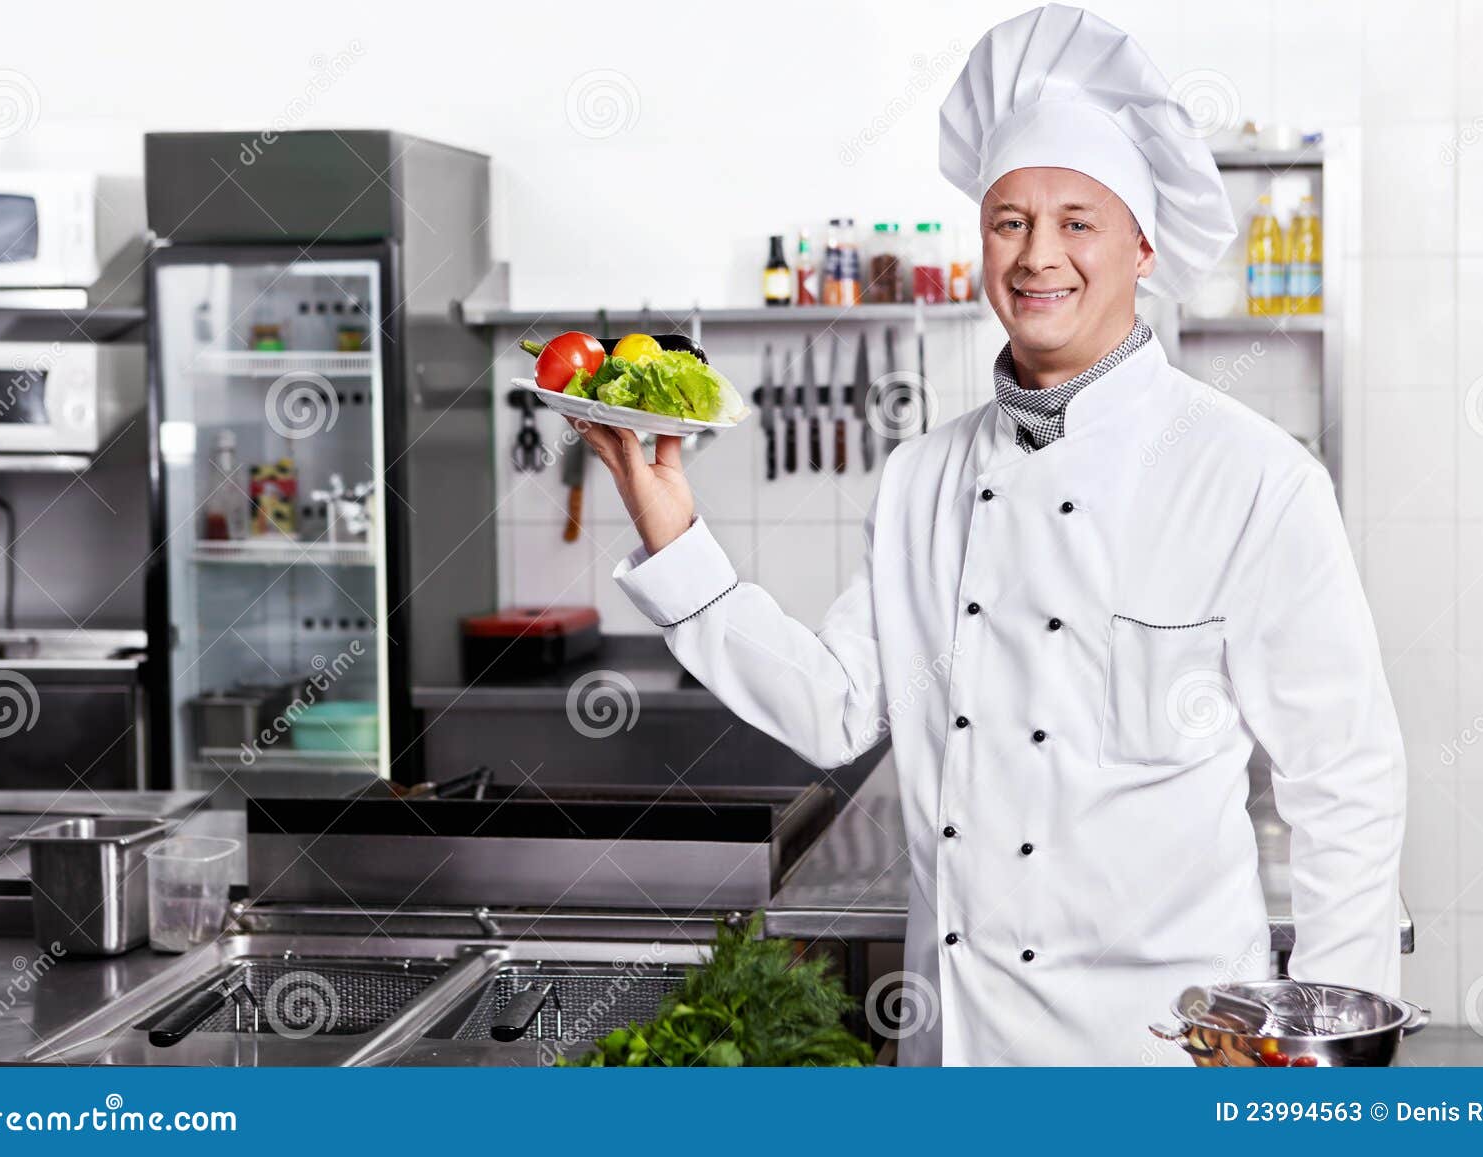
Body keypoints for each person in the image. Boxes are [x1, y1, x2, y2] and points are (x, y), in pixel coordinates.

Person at [567, 4, 1405, 1066]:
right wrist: (673, 532)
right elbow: (835, 705)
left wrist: (1332, 1058)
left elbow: (1346, 778)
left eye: (1075, 221)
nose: (1036, 255)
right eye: (1008, 221)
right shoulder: (922, 476)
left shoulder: (1251, 477)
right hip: (961, 1048)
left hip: (1164, 1055)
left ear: (1140, 244)